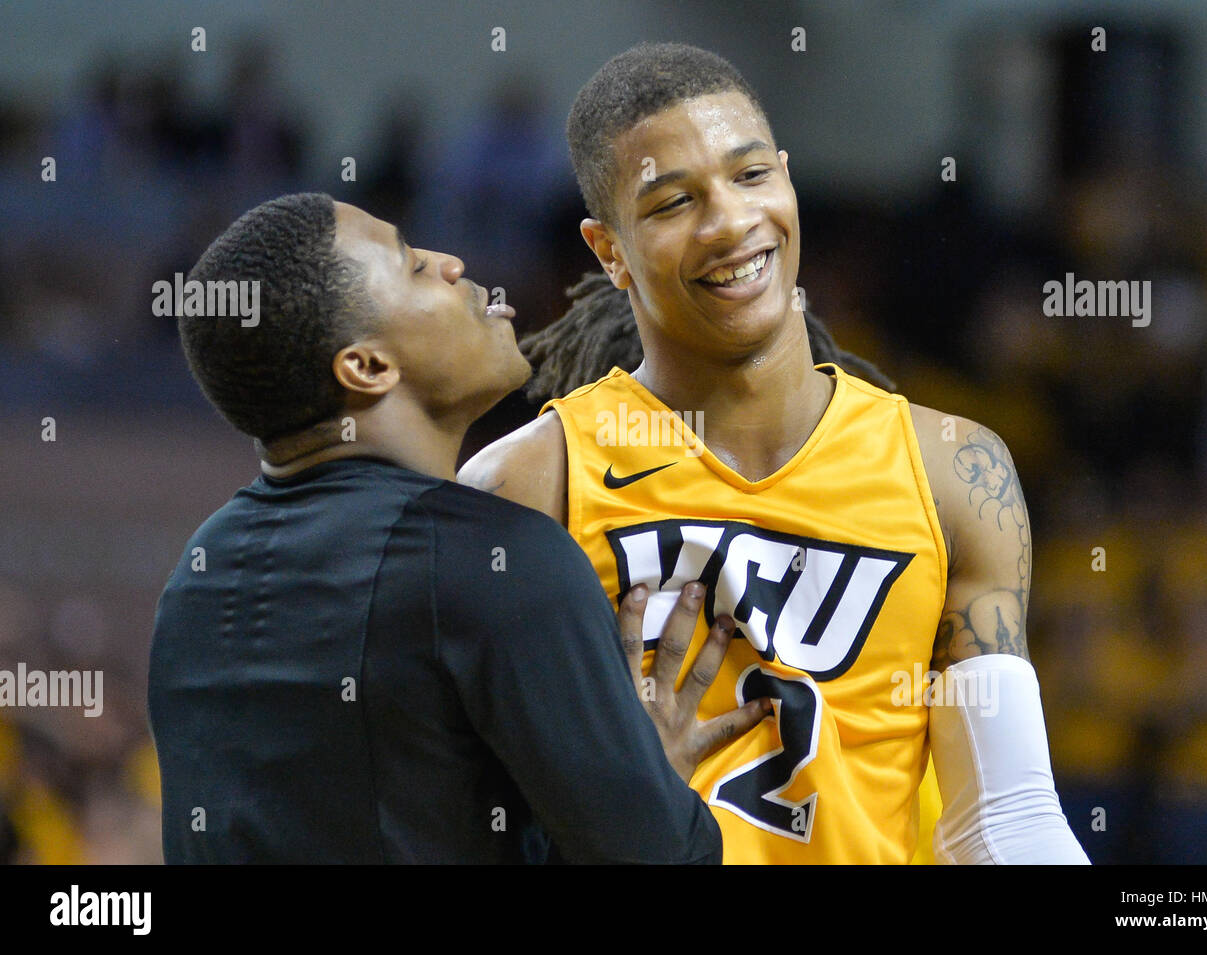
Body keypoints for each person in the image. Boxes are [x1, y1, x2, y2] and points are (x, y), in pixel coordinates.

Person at [460, 43, 1088, 864]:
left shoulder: (954, 471)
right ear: (608, 250)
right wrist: (609, 796)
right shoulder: (524, 485)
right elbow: (468, 826)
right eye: (673, 202)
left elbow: (1002, 821)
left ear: (787, 180)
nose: (729, 221)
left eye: (750, 176)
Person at [148, 191, 767, 864]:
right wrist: (651, 788)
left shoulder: (197, 576)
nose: (450, 264)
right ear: (368, 366)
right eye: (413, 265)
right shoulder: (496, 558)